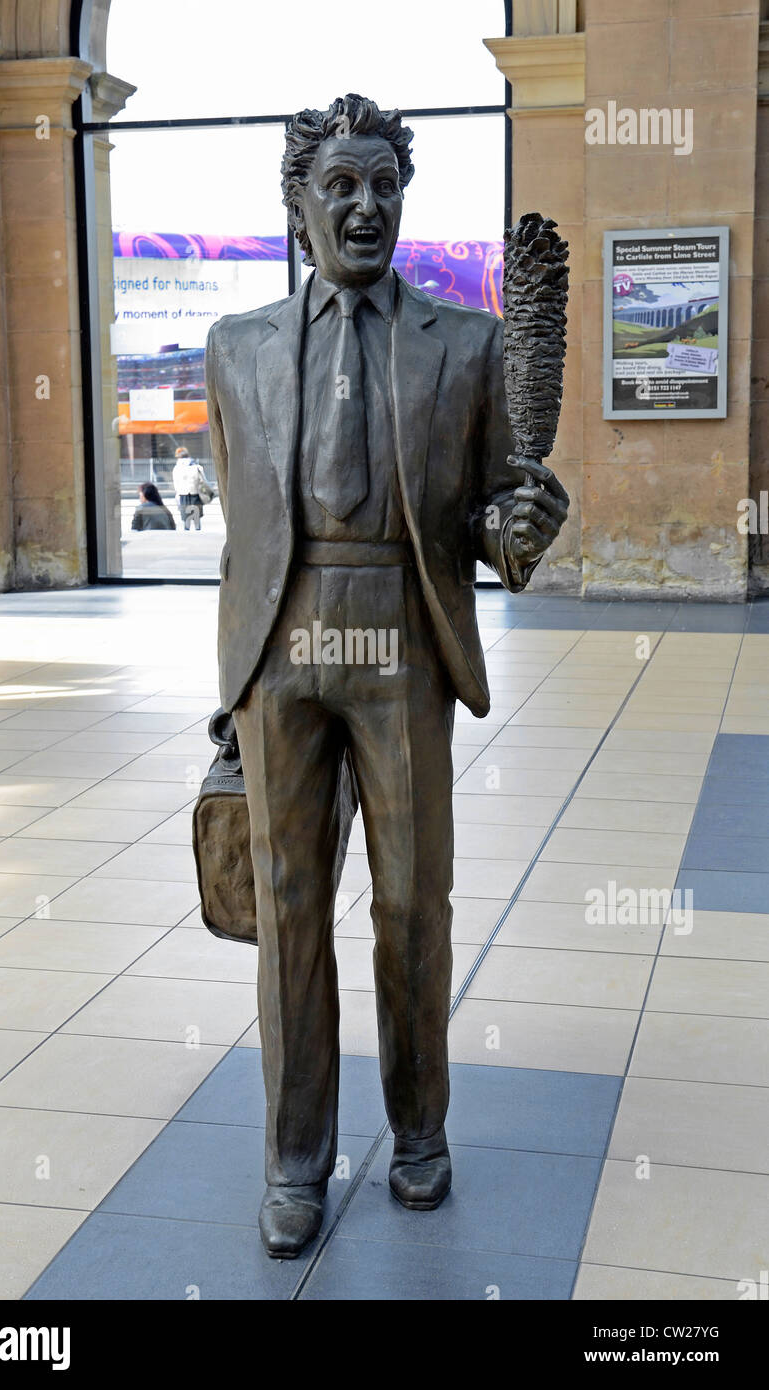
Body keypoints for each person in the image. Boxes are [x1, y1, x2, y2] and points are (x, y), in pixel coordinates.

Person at [204, 93, 569, 1259]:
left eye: (385, 187)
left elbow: (493, 533)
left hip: (401, 639)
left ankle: (419, 1133)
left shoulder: (464, 345)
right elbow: (243, 532)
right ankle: (295, 1157)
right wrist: (231, 700)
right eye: (343, 187)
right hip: (285, 648)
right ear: (298, 202)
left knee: (413, 904)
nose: (367, 207)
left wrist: (528, 524)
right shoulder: (235, 348)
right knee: (291, 909)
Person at [172, 446, 214, 530]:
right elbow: (203, 481)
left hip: (183, 495)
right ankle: (198, 532)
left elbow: (176, 484)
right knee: (197, 519)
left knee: (186, 519)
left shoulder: (176, 468)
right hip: (195, 494)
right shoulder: (196, 467)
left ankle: (187, 533)